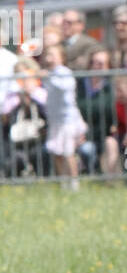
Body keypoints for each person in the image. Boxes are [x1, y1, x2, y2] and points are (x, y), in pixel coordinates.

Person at [40, 42, 88, 187]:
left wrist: (48, 77)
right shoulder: (49, 73)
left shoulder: (64, 72)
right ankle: (62, 182)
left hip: (67, 119)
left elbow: (64, 88)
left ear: (61, 57)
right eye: (47, 55)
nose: (49, 58)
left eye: (52, 55)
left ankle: (74, 183)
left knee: (68, 153)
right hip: (55, 120)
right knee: (56, 151)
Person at [1, 57, 48, 177]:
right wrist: (19, 99)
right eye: (17, 74)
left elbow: (47, 109)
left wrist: (32, 94)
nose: (21, 78)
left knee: (40, 153)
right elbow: (5, 113)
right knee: (14, 158)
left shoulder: (40, 92)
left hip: (39, 138)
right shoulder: (13, 95)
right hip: (16, 140)